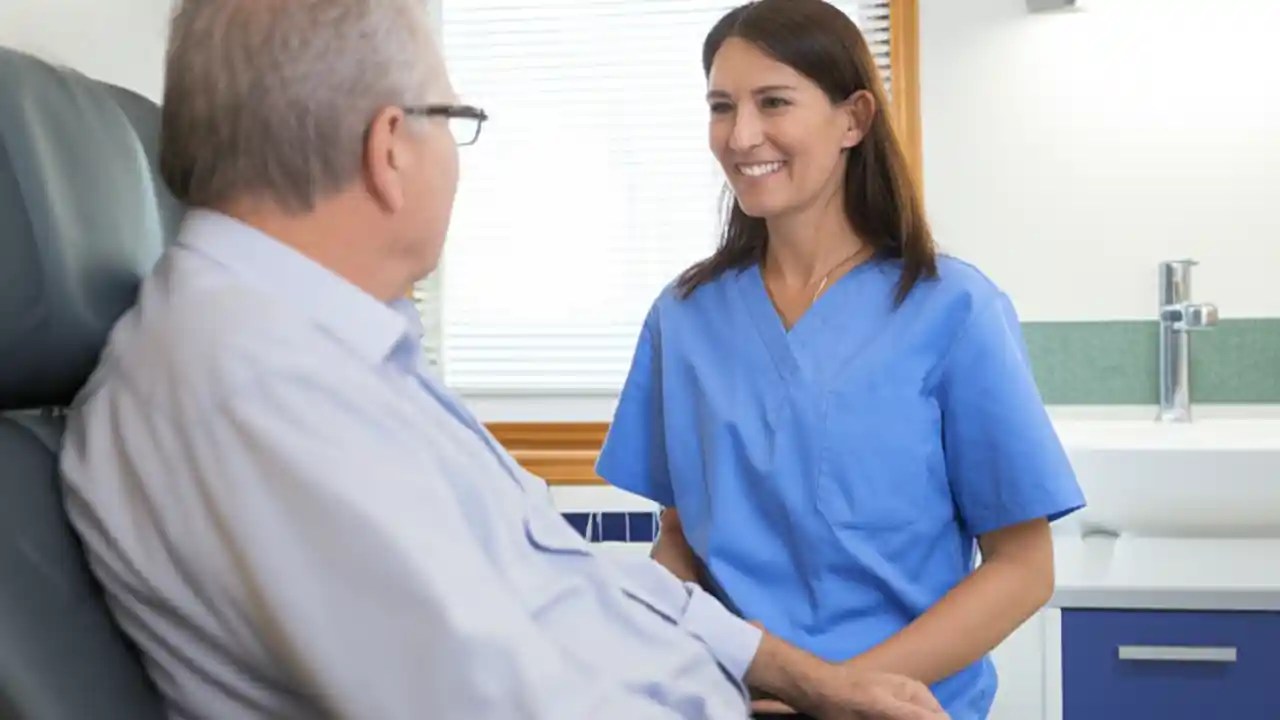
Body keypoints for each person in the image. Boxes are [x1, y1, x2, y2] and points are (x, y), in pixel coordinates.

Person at [57, 1, 948, 718]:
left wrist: (802, 676)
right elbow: (492, 692)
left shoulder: (330, 354)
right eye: (455, 118)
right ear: (389, 149)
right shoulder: (250, 387)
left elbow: (558, 572)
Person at [596, 1, 1087, 719]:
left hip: (899, 705)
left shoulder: (952, 310)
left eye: (774, 103)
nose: (741, 135)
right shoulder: (685, 316)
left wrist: (835, 693)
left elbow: (1021, 569)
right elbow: (678, 543)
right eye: (721, 106)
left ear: (852, 119)